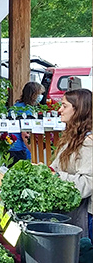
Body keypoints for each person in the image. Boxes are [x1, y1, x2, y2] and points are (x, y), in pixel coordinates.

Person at [52, 88, 92, 240]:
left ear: (78, 109)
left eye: (64, 105)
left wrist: (56, 176)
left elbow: (88, 183)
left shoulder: (88, 143)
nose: (59, 109)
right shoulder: (71, 138)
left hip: (84, 217)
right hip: (70, 213)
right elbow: (55, 168)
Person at [8, 81, 44, 164]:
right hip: (20, 148)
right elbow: (25, 134)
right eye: (39, 94)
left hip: (12, 145)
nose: (40, 96)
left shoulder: (17, 106)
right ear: (33, 94)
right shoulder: (26, 110)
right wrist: (33, 151)